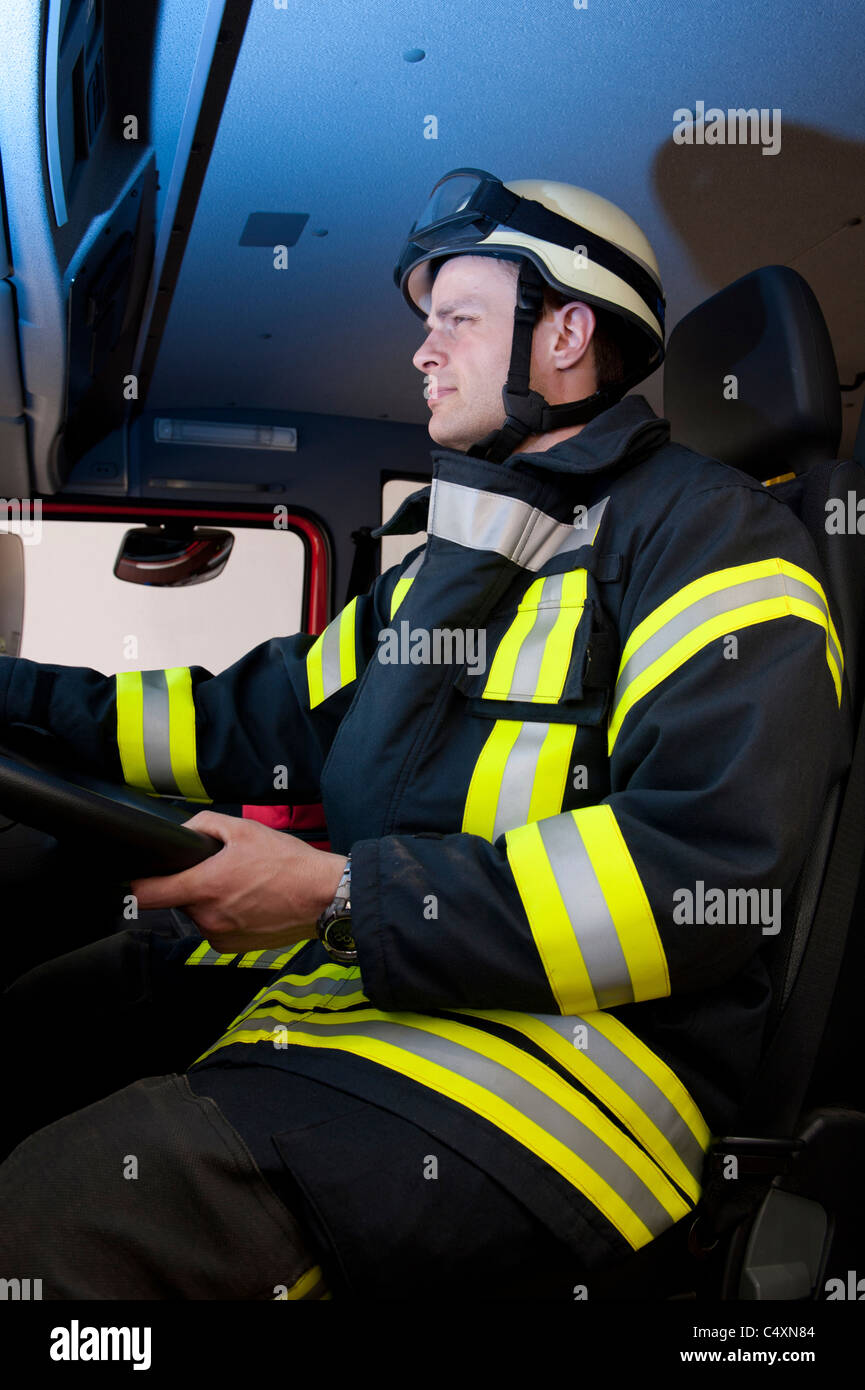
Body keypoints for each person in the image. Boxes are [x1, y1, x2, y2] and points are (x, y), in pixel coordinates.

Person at [0, 169, 850, 1301]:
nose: (421, 350)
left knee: (71, 1221)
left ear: (566, 335)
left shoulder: (719, 542)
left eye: (455, 317)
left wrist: (338, 895)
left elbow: (699, 875)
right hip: (373, 994)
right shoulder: (453, 561)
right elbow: (248, 721)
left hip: (566, 1080)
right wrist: (15, 695)